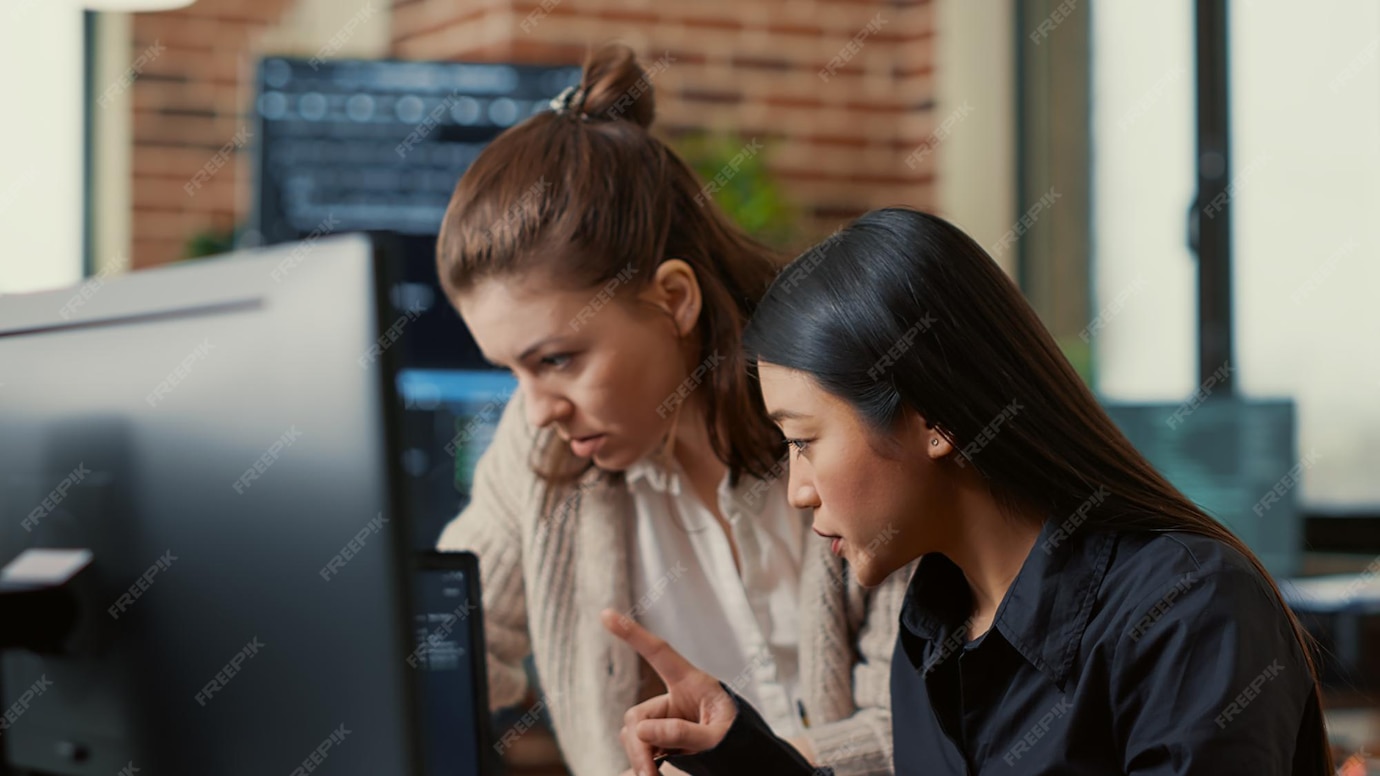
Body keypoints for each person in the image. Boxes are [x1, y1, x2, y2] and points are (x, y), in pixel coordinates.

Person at [604, 207, 1334, 775]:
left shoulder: (1187, 609)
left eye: (804, 441)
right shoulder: (934, 627)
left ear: (934, 419)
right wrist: (747, 757)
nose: (797, 491)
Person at [433, 44, 909, 776]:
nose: (536, 410)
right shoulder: (537, 448)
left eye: (556, 359)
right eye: (512, 372)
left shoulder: (848, 423)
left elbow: (923, 728)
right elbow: (448, 654)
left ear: (673, 300)